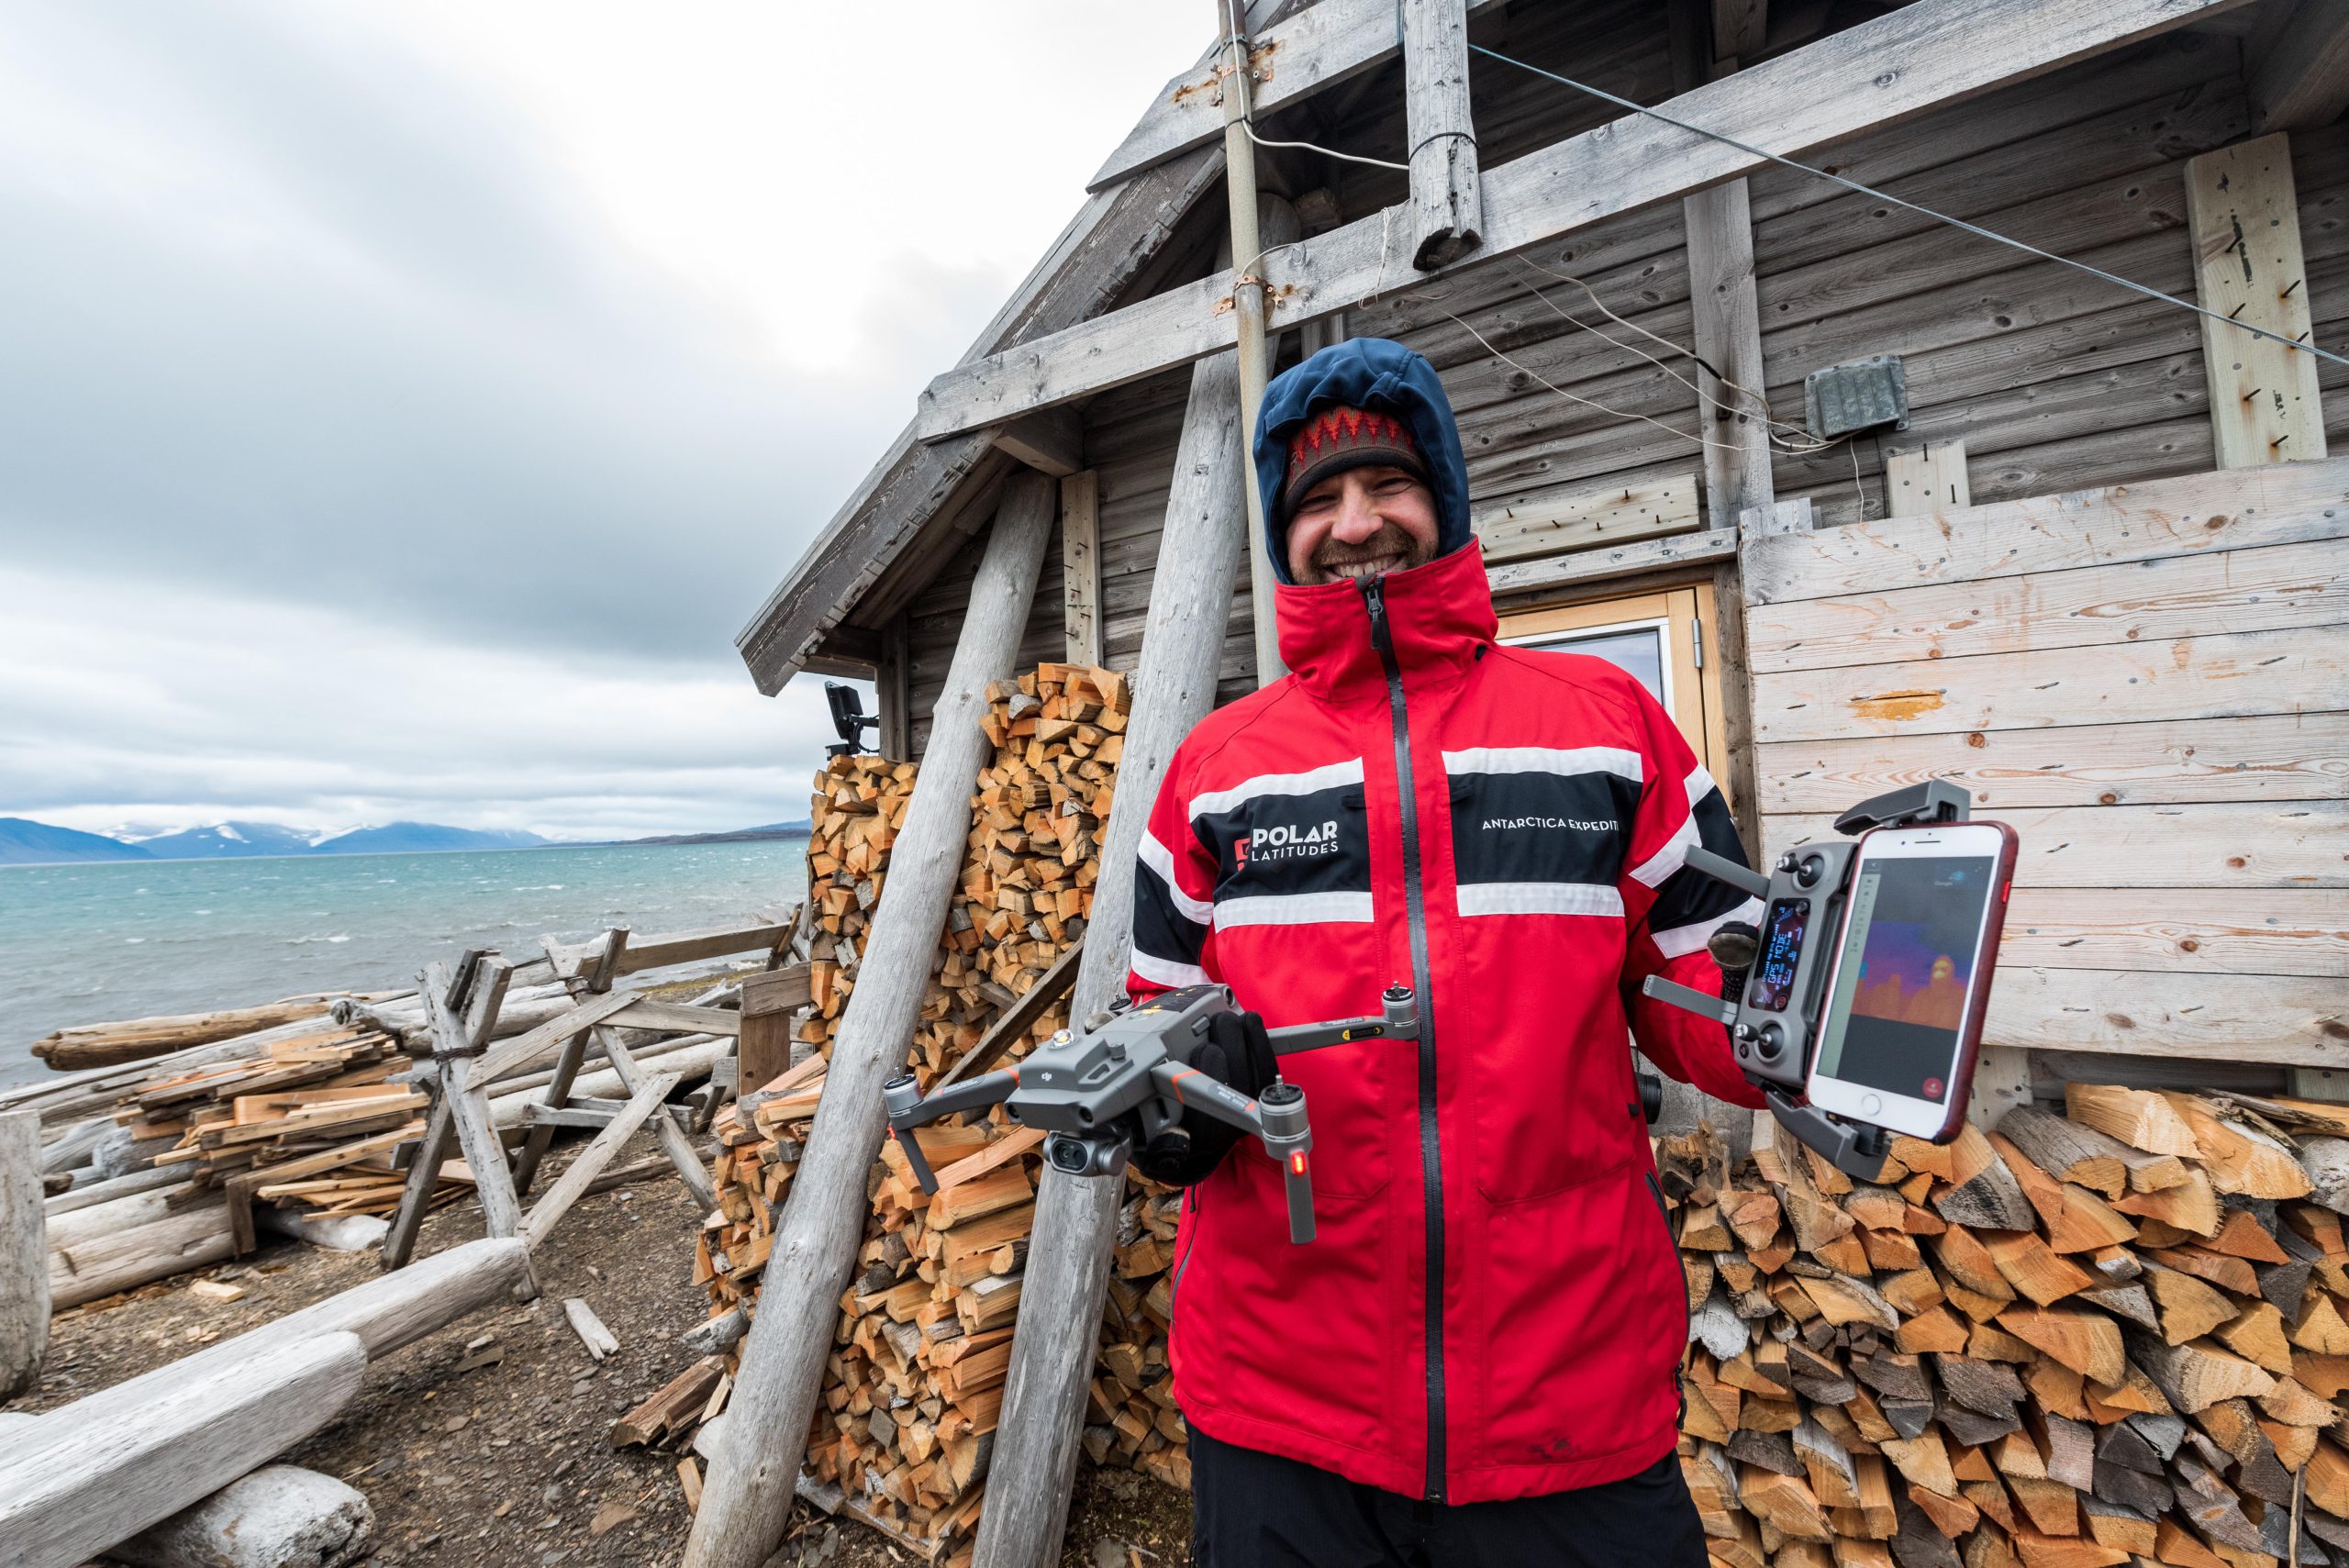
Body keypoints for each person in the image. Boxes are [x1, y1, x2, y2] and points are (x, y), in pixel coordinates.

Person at [1123, 338, 1767, 1567]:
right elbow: (1159, 1013)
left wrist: (1780, 1014)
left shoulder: (1604, 727)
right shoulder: (1214, 769)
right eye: (1317, 500)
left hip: (1565, 1399)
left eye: (1387, 485)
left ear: (1447, 501)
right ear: (1281, 532)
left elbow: (1703, 981)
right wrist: (1177, 1105)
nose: (1356, 522)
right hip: (1281, 1408)